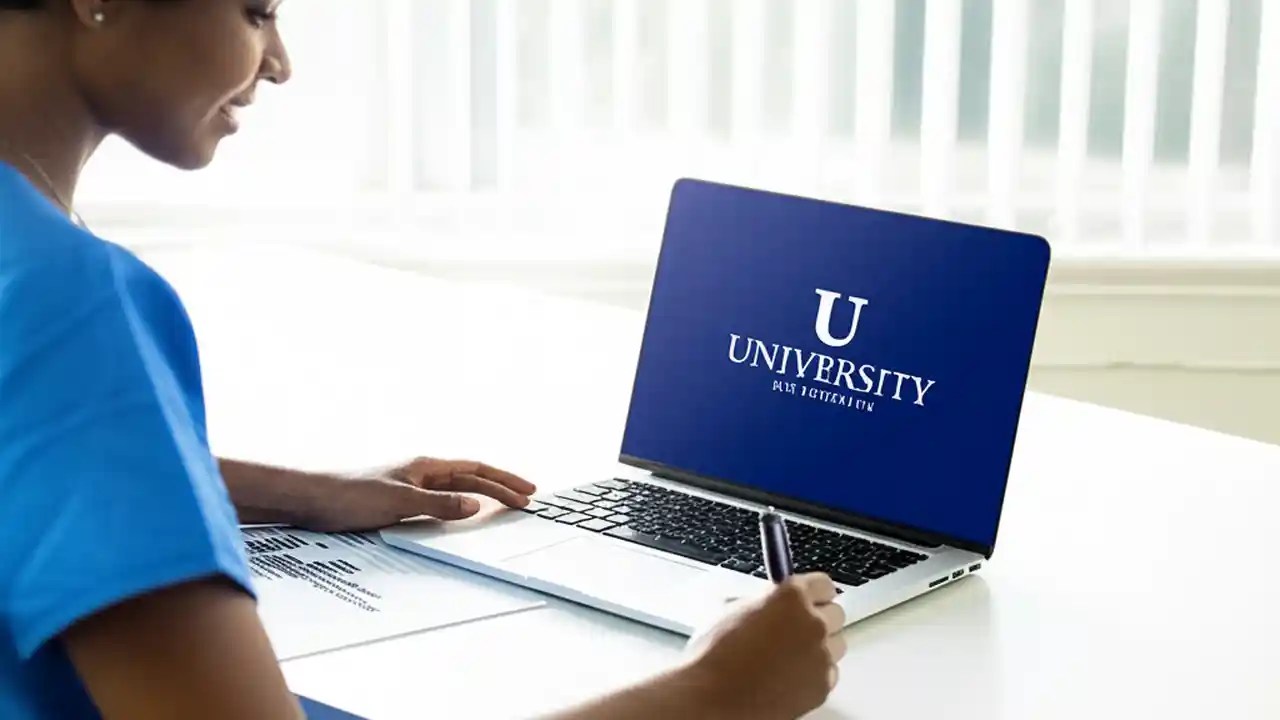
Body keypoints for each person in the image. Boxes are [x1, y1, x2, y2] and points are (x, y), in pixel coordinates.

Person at [0, 1, 848, 718]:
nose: (281, 63)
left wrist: (307, 494)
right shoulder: (72, 302)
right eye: (256, 10)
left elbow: (38, 448)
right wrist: (715, 691)